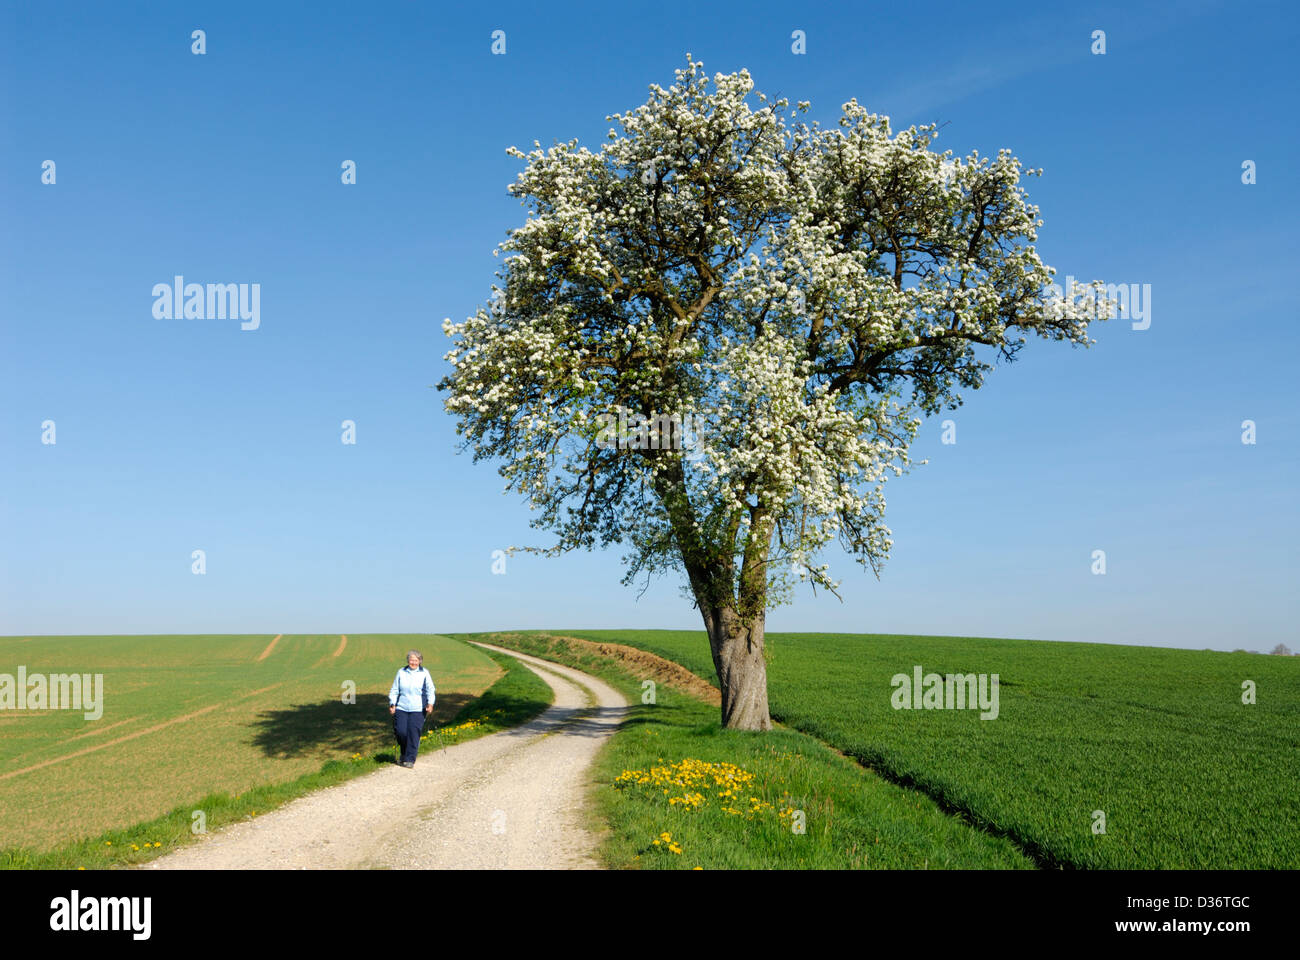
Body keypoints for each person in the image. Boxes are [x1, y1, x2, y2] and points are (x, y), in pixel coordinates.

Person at [388, 649, 435, 768]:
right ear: (408, 660)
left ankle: (409, 759)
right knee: (401, 732)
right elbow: (394, 689)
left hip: (418, 709)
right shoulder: (401, 672)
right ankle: (404, 754)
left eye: (416, 660)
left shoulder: (424, 673)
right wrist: (392, 703)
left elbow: (430, 689)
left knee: (414, 734)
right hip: (401, 707)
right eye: (411, 660)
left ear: (420, 661)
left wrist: (430, 703)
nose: (413, 662)